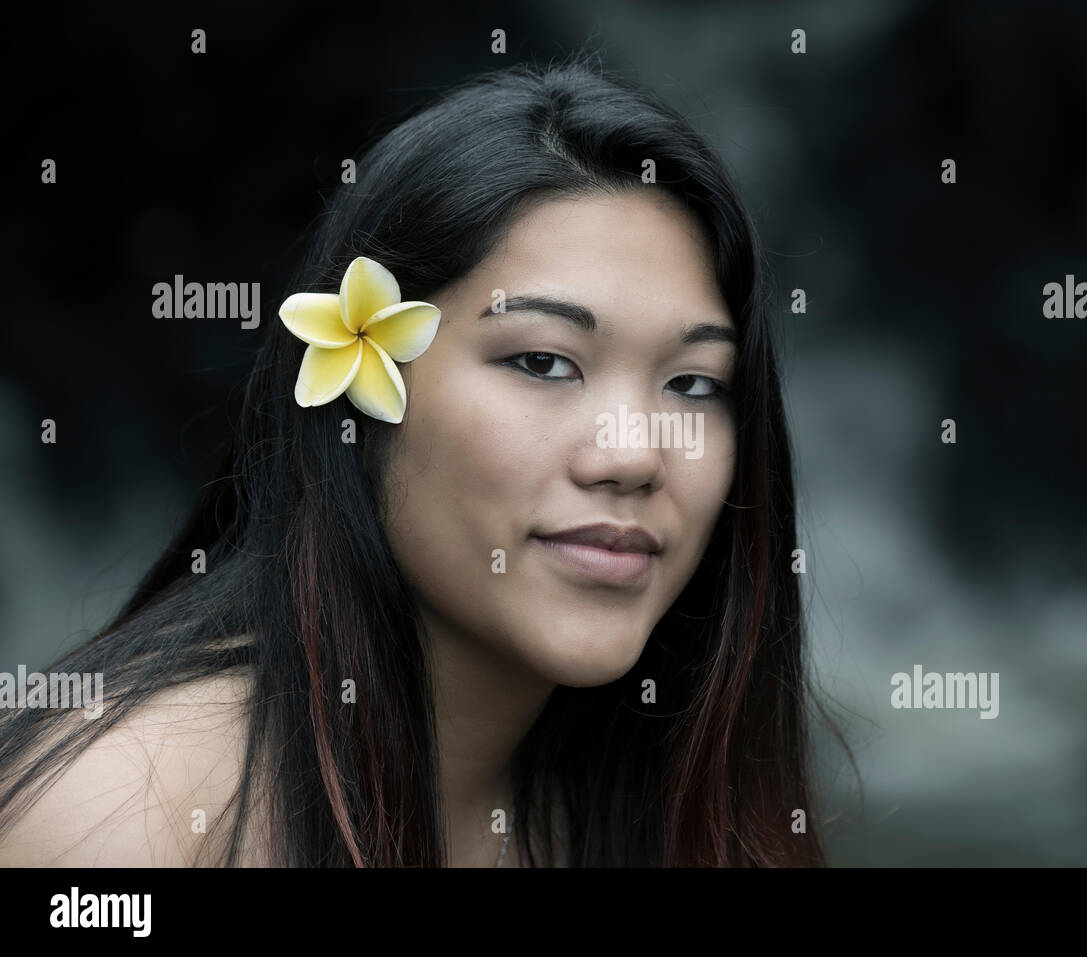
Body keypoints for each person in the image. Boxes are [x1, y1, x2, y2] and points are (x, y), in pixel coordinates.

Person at [0, 53, 829, 867]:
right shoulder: (121, 820)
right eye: (542, 361)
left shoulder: (667, 787)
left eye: (692, 383)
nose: (634, 455)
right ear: (361, 379)